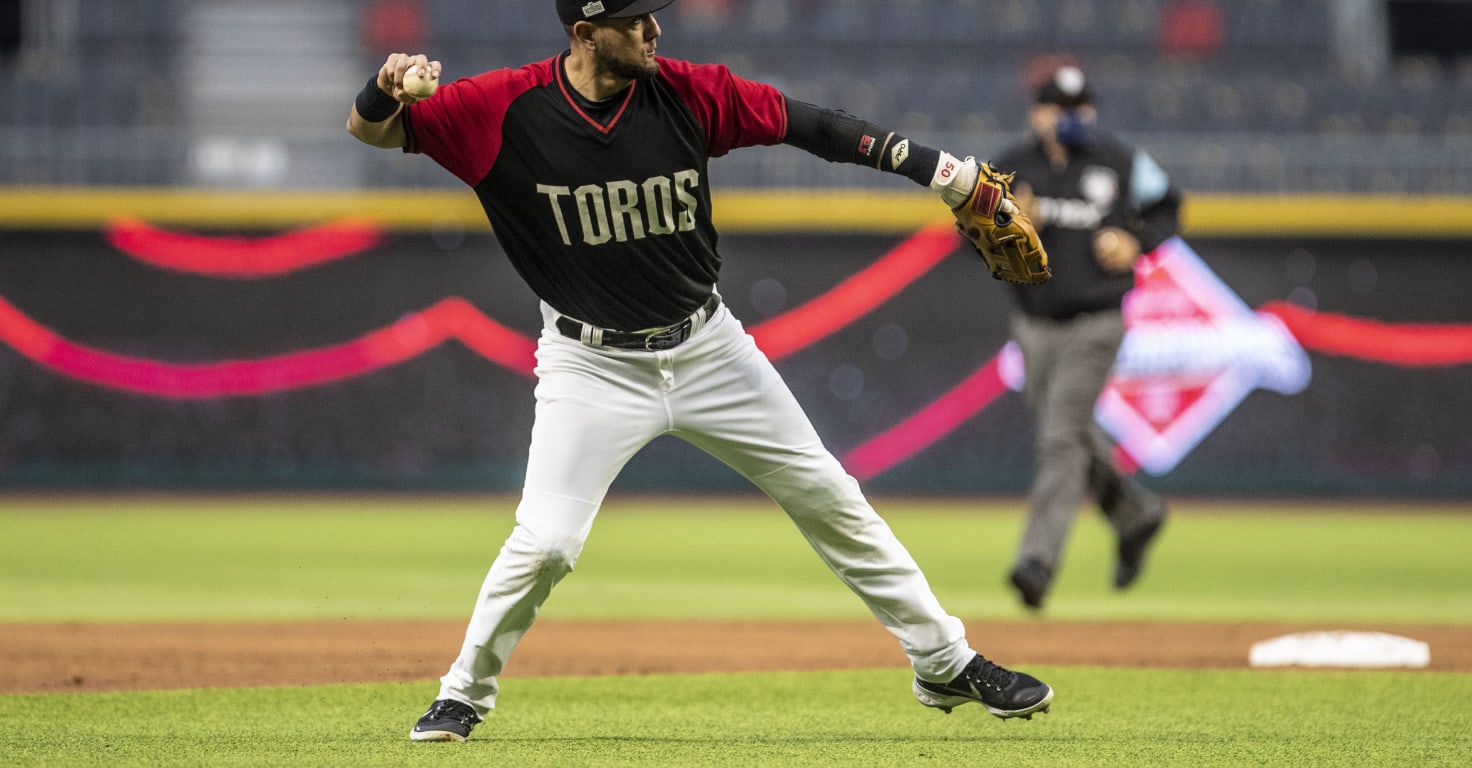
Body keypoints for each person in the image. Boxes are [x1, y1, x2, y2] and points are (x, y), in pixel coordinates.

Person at [346, 0, 1053, 742]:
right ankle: (462, 693)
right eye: (635, 20)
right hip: (591, 365)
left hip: (709, 348)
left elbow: (814, 126)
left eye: (654, 15)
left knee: (830, 497)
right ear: (585, 35)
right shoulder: (501, 108)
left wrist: (948, 174)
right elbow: (370, 130)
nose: (654, 30)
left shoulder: (688, 91)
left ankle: (943, 660)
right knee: (547, 541)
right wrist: (385, 87)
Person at [992, 65, 1180, 612]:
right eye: (1056, 106)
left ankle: (1037, 562)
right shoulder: (1010, 168)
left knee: (1058, 436)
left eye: (1079, 107)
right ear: (1037, 113)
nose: (1069, 117)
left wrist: (1136, 240)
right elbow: (969, 237)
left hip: (1097, 321)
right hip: (1033, 324)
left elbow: (1170, 207)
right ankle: (1136, 514)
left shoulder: (1120, 161)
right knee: (1070, 432)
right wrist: (1006, 223)